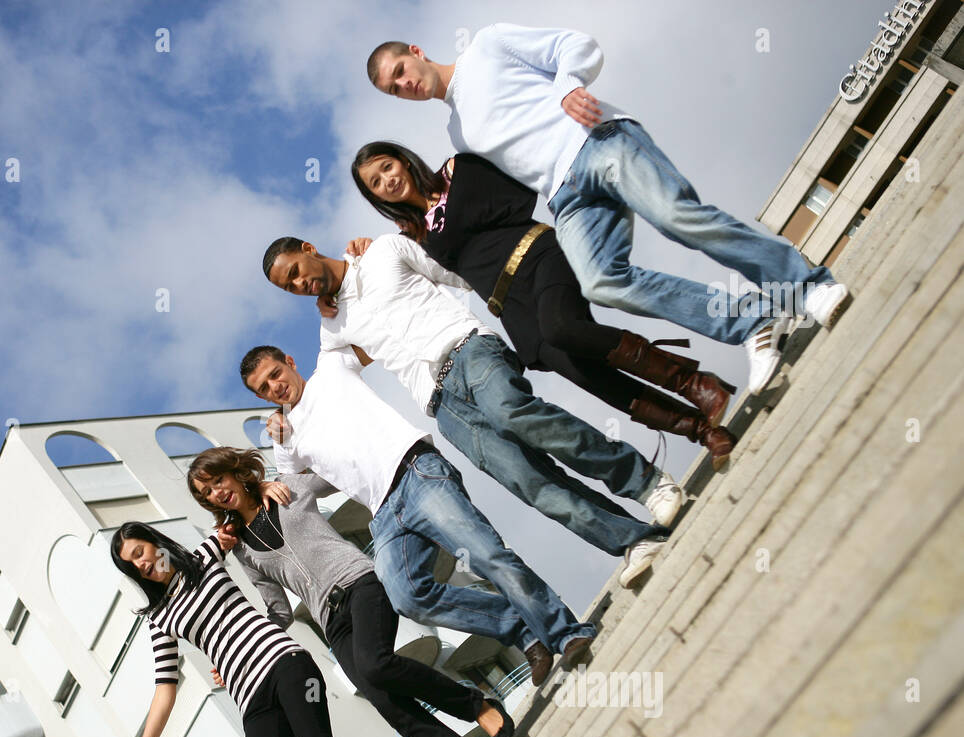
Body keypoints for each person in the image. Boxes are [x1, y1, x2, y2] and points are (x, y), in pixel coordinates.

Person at [366, 26, 850, 395]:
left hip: (599, 141)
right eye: (393, 89)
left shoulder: (487, 47)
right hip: (566, 197)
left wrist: (568, 86)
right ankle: (753, 323)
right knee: (601, 281)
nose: (404, 85)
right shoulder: (459, 136)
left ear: (416, 52)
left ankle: (809, 287)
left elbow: (576, 45)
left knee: (680, 219)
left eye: (400, 72)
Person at [263, 233, 672, 585]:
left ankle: (648, 483)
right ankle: (634, 539)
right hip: (438, 402)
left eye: (296, 271)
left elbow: (456, 274)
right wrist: (284, 419)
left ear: (308, 248)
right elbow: (317, 387)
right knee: (523, 477)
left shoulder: (382, 250)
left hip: (467, 350)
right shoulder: (331, 327)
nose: (300, 284)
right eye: (289, 287)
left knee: (514, 412)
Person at [347, 141, 736, 465]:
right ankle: (702, 430)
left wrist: (467, 219)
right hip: (509, 305)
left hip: (537, 256)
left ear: (403, 159)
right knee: (585, 373)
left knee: (563, 327)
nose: (388, 180)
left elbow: (517, 190)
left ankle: (693, 382)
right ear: (374, 196)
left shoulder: (458, 169)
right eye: (376, 183)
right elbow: (449, 276)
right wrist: (366, 252)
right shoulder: (412, 235)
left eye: (387, 166)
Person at [240, 343, 598, 686]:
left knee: (487, 556)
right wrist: (263, 484)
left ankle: (565, 633)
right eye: (264, 388)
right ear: (260, 397)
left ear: (290, 361)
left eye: (276, 373)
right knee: (406, 595)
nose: (276, 387)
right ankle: (520, 627)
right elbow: (297, 489)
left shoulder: (331, 368)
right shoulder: (284, 435)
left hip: (417, 474)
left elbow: (369, 336)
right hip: (381, 513)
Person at [187, 446, 512, 737]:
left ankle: (476, 705)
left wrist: (272, 480)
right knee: (387, 702)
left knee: (375, 665)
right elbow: (277, 608)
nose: (217, 492)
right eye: (207, 492)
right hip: (330, 619)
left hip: (360, 582)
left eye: (218, 480)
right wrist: (240, 656)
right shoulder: (243, 548)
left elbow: (336, 471)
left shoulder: (289, 487)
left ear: (234, 470)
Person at [111, 521, 453, 737]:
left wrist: (264, 489)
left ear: (155, 543)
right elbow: (164, 690)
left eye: (139, 552)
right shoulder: (159, 619)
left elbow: (240, 512)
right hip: (251, 700)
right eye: (131, 564)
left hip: (286, 665)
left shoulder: (205, 557)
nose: (140, 564)